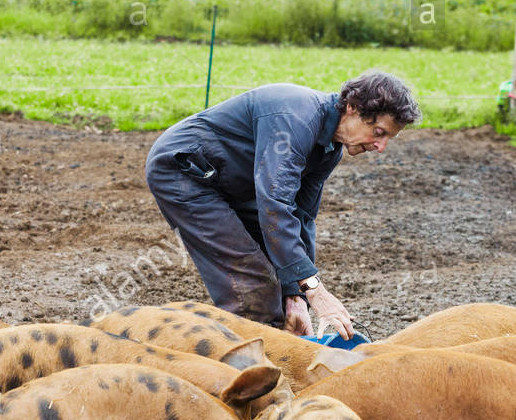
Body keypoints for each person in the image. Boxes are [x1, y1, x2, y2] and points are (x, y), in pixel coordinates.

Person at [145, 70, 421, 338]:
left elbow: (301, 217)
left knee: (277, 283)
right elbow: (274, 204)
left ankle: (277, 355)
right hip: (183, 171)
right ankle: (250, 372)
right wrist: (315, 289)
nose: (381, 146)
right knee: (253, 282)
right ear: (352, 108)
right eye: (378, 131)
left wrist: (296, 295)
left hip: (233, 183)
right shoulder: (296, 119)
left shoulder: (328, 150)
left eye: (388, 138)